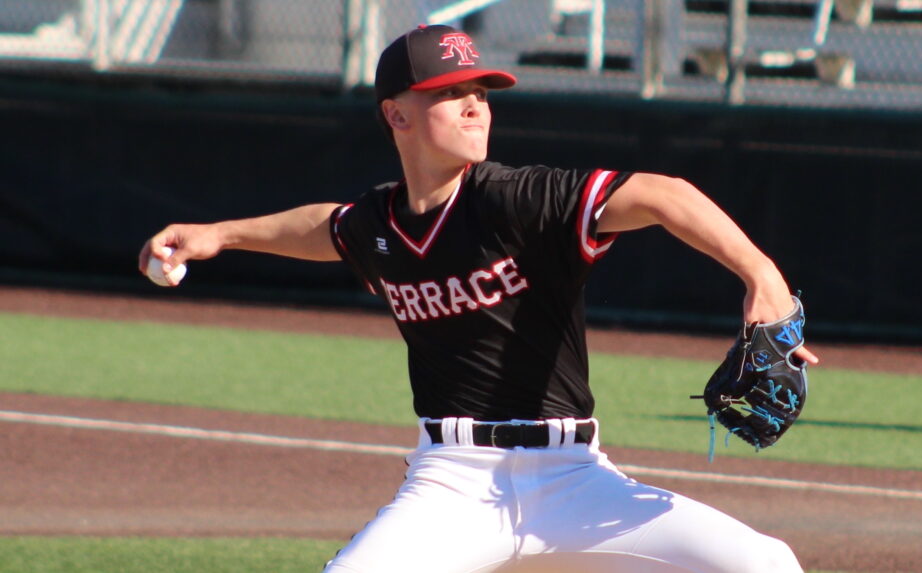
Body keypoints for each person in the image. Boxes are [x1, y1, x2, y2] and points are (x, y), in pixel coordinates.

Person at [139, 24, 819, 573]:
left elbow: (662, 194)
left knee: (763, 563)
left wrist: (763, 277)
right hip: (453, 481)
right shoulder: (380, 224)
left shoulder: (514, 199)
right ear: (395, 113)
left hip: (573, 477)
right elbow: (328, 227)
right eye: (450, 91)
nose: (474, 105)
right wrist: (218, 235)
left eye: (482, 92)